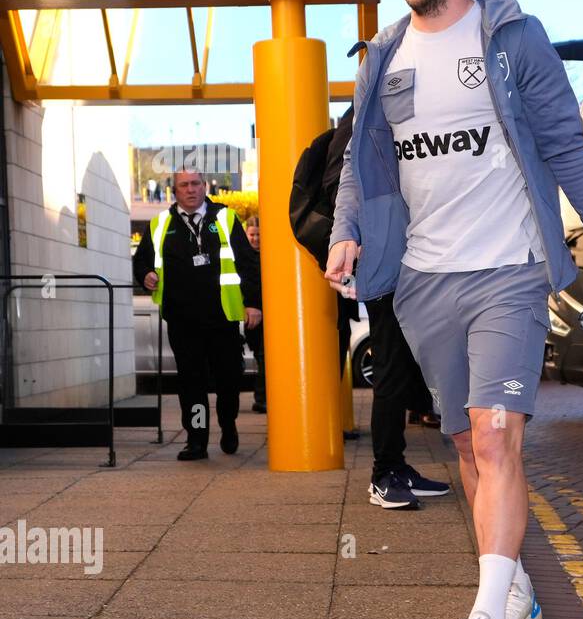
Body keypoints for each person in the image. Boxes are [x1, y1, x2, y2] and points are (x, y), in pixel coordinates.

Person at [325, 0, 583, 619]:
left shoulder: (513, 40)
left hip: (508, 270)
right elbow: (362, 161)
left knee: (497, 440)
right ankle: (518, 593)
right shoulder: (384, 55)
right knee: (466, 445)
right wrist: (345, 232)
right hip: (424, 281)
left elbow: (564, 139)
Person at [288, 108, 447, 508]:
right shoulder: (365, 112)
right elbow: (342, 184)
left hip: (416, 256)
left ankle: (397, 466)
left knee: (407, 364)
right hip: (385, 260)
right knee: (391, 367)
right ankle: (384, 475)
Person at [132, 170, 261, 460]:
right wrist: (146, 275)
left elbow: (248, 264)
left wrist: (253, 303)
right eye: (184, 185)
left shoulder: (226, 219)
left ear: (204, 187)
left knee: (228, 378)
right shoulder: (160, 224)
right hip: (182, 319)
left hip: (222, 318)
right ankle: (197, 439)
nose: (190, 190)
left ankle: (228, 424)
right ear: (175, 191)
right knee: (192, 383)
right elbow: (141, 262)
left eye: (195, 184)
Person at [243, 215, 267, 414]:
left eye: (259, 235)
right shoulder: (240, 257)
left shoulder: (270, 256)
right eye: (252, 234)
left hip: (268, 316)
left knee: (264, 357)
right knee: (261, 358)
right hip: (248, 317)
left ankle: (262, 399)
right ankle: (261, 399)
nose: (256, 239)